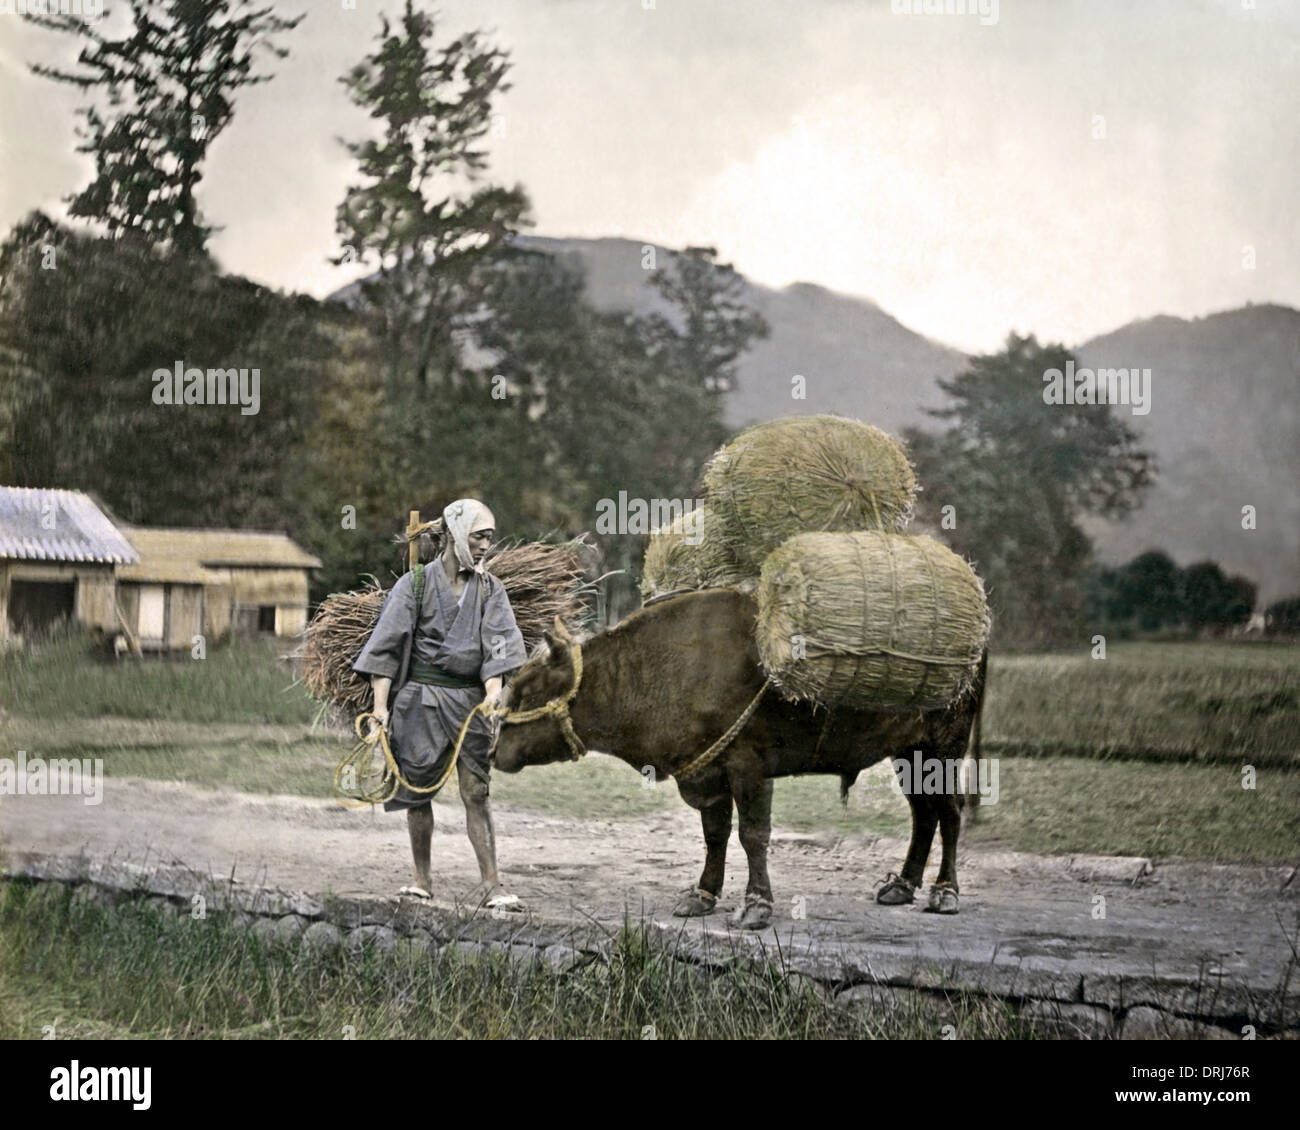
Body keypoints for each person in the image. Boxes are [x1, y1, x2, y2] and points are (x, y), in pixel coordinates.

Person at [352, 498, 528, 911]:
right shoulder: (413, 585)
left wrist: (492, 692)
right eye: (479, 536)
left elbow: (497, 646)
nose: (486, 545)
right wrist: (381, 707)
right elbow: (386, 650)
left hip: (470, 703)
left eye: (489, 538)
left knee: (476, 792)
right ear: (454, 534)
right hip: (419, 701)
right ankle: (421, 880)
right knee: (417, 792)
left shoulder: (490, 589)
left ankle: (493, 885)